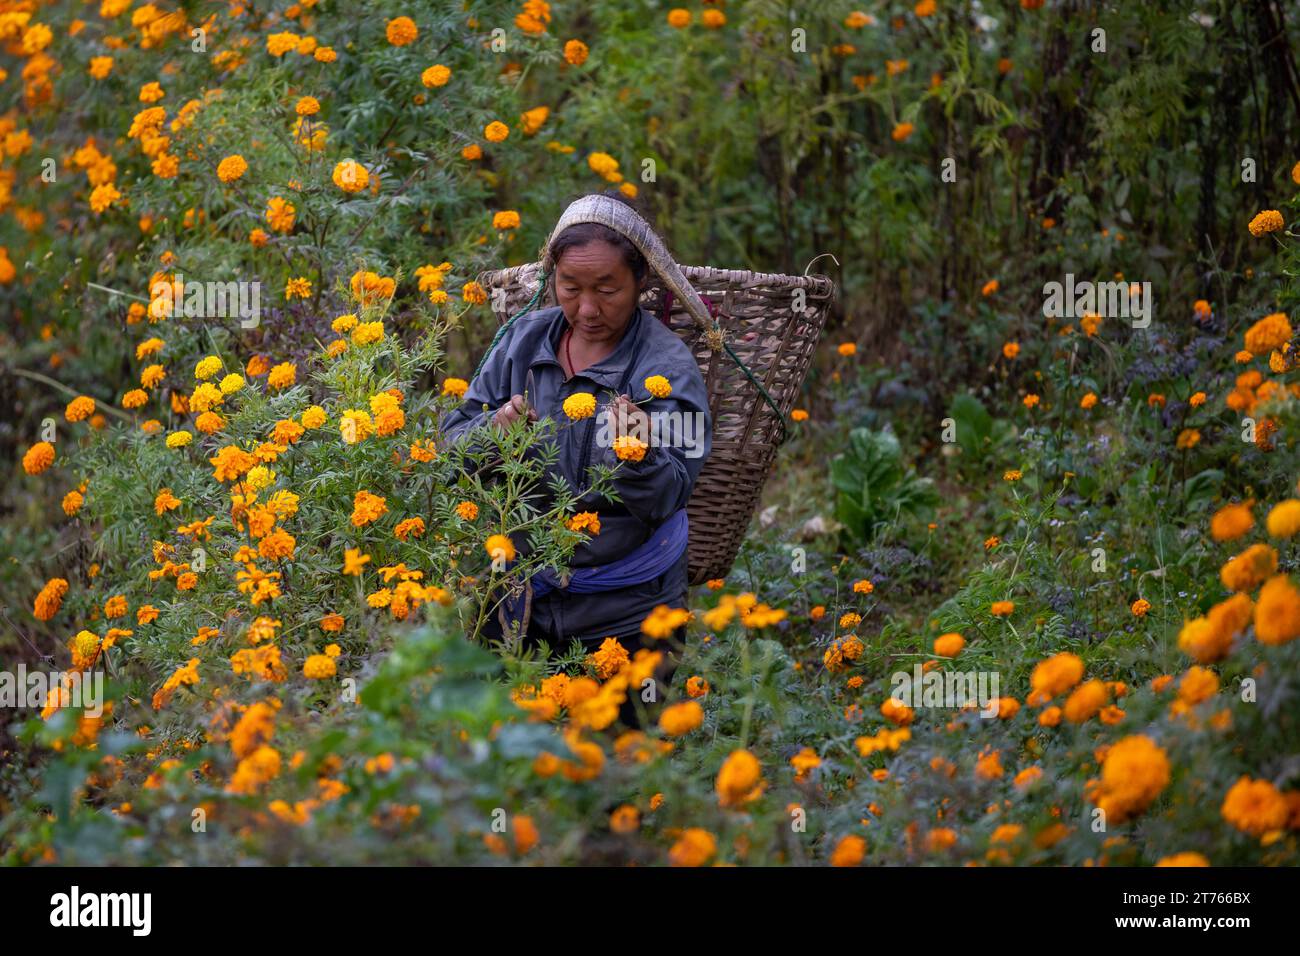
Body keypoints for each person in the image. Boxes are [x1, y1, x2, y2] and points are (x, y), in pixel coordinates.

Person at [442, 192, 713, 725]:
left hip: (629, 611)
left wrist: (641, 454)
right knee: (513, 762)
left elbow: (674, 489)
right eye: (571, 288)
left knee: (616, 772)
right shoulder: (524, 342)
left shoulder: (666, 368)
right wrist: (493, 431)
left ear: (639, 283)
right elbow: (450, 445)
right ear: (553, 280)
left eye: (607, 289)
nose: (587, 309)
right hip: (514, 602)